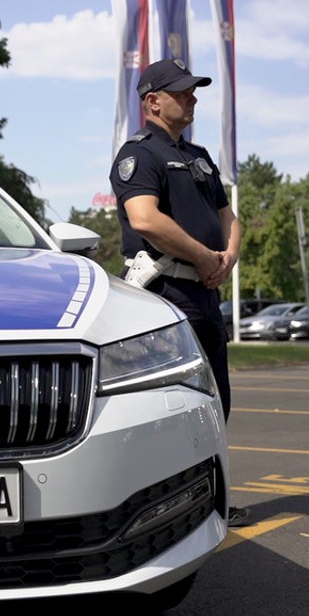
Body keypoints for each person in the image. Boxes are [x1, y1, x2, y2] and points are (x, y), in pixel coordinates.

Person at [109, 58, 250, 528]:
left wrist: (226, 255)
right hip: (167, 295)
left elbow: (229, 217)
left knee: (214, 404)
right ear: (153, 101)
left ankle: (211, 501)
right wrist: (203, 257)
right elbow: (145, 219)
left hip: (206, 295)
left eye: (194, 90)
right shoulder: (140, 155)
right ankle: (167, 511)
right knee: (174, 409)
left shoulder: (200, 156)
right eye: (183, 91)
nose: (193, 98)